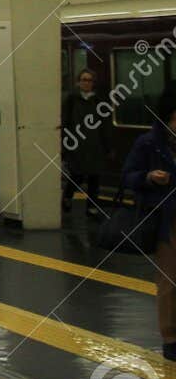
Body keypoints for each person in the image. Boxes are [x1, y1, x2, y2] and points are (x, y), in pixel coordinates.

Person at [120, 107, 176, 360]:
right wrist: (149, 177)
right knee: (169, 280)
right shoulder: (148, 144)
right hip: (166, 221)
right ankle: (171, 338)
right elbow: (128, 175)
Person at [61, 69, 111, 217]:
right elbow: (66, 122)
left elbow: (105, 124)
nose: (86, 83)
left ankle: (92, 206)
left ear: (93, 83)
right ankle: (67, 197)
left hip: (95, 145)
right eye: (84, 79)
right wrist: (66, 144)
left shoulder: (99, 101)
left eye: (89, 80)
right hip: (77, 144)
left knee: (94, 177)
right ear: (78, 82)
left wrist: (107, 145)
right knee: (77, 175)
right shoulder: (71, 100)